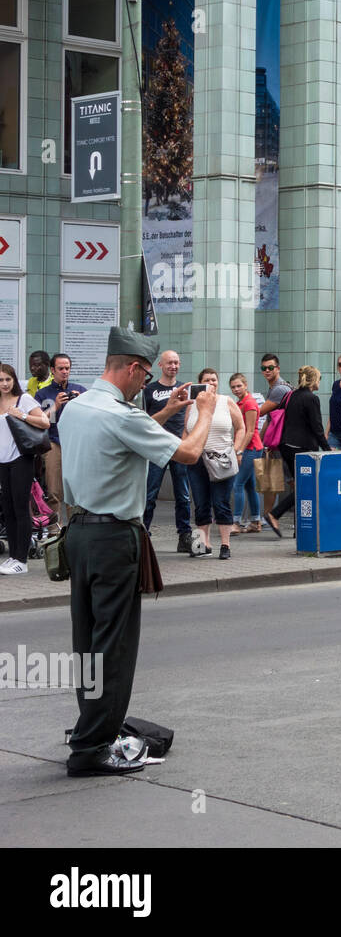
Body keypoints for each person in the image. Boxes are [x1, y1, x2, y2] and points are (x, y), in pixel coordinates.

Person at [59, 326, 217, 776]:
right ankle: (92, 748)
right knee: (115, 646)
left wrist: (168, 408)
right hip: (114, 538)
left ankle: (90, 727)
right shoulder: (122, 415)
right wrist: (203, 411)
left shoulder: (75, 409)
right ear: (131, 367)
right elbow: (187, 454)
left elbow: (124, 441)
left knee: (88, 644)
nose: (144, 384)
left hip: (80, 532)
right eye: (144, 376)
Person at [185, 368, 245, 559]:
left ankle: (225, 545)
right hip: (197, 460)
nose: (211, 383)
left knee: (221, 502)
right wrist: (184, 450)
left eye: (214, 380)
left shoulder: (226, 402)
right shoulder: (192, 404)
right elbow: (186, 432)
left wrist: (236, 450)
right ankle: (203, 544)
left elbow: (241, 427)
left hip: (221, 460)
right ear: (199, 383)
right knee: (201, 503)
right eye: (206, 380)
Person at [264, 365, 330, 537]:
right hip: (302, 449)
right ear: (314, 380)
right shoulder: (311, 398)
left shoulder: (290, 395)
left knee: (301, 487)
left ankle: (299, 528)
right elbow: (317, 428)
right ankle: (274, 514)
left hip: (286, 446)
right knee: (305, 487)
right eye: (319, 379)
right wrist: (328, 450)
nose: (319, 382)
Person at [0, 362, 51, 573]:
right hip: (2, 462)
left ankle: (21, 560)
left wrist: (19, 414)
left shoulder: (23, 399)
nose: (4, 384)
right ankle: (13, 556)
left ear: (14, 380)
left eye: (8, 379)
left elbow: (45, 422)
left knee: (21, 509)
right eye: (1, 380)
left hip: (21, 460)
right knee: (8, 509)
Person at [143, 350, 193, 551]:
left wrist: (186, 438)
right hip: (156, 448)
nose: (173, 366)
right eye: (170, 363)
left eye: (177, 362)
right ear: (160, 366)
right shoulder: (149, 390)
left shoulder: (185, 389)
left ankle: (185, 536)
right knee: (149, 494)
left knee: (183, 495)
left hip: (178, 446)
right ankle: (143, 534)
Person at [34, 353, 86, 526]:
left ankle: (74, 530)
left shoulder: (80, 390)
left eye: (67, 368)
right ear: (52, 370)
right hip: (53, 443)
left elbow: (91, 417)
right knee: (54, 490)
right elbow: (38, 422)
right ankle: (54, 531)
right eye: (61, 368)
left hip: (74, 443)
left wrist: (82, 403)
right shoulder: (43, 394)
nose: (65, 372)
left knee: (74, 490)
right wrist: (55, 406)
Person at [257, 354, 293, 516]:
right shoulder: (275, 388)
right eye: (264, 368)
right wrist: (262, 441)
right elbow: (269, 419)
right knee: (271, 482)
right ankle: (268, 517)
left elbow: (259, 412)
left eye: (270, 367)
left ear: (277, 368)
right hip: (277, 442)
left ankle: (274, 516)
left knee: (291, 481)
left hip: (284, 442)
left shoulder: (280, 389)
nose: (267, 371)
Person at [229, 373, 263, 534]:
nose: (236, 389)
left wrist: (239, 451)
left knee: (238, 484)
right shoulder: (241, 403)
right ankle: (255, 522)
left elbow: (249, 431)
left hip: (251, 448)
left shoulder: (249, 403)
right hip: (250, 448)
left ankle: (236, 523)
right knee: (250, 486)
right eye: (233, 387)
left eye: (238, 386)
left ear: (246, 385)